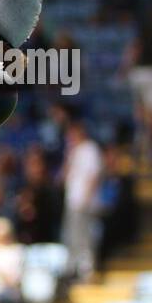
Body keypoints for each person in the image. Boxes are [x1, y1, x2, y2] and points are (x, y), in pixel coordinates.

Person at [62, 120, 104, 280]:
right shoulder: (74, 151)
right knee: (72, 236)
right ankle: (74, 269)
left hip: (84, 202)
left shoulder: (90, 149)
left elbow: (93, 175)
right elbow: (65, 175)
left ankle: (87, 270)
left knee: (85, 237)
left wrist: (86, 198)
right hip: (72, 201)